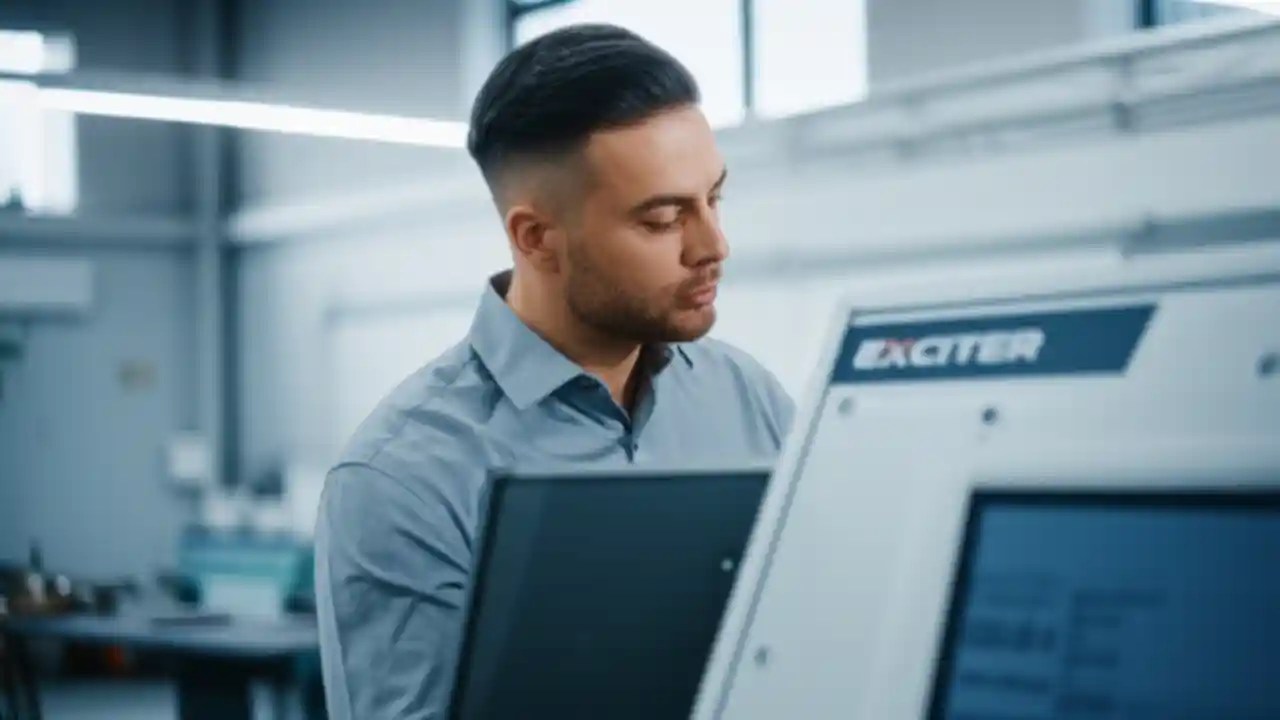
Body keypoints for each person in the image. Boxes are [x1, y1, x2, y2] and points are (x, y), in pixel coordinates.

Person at [314, 23, 794, 719]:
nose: (714, 245)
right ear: (537, 239)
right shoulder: (406, 478)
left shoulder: (750, 400)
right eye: (663, 220)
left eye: (713, 199)